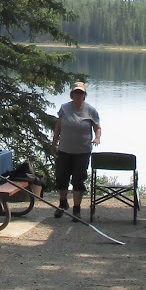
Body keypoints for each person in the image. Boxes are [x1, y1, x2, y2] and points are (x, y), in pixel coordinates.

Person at [52, 82, 101, 218]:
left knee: (78, 180)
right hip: (64, 150)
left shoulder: (91, 110)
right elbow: (58, 127)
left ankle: (77, 209)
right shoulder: (64, 108)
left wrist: (97, 138)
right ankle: (62, 203)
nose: (78, 95)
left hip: (82, 151)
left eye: (81, 93)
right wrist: (54, 144)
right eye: (76, 92)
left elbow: (97, 127)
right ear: (72, 94)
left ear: (84, 95)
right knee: (62, 178)